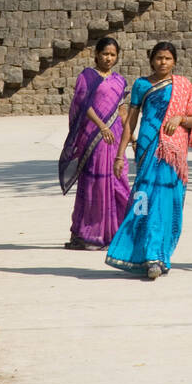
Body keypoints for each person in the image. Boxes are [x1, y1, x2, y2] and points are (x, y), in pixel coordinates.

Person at [106, 41, 192, 280]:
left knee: (167, 202)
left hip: (173, 153)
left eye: (168, 59)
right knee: (144, 200)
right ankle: (141, 254)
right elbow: (130, 121)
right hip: (148, 149)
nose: (163, 63)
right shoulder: (141, 85)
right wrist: (120, 153)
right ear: (151, 59)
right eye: (159, 58)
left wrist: (180, 118)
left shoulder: (183, 86)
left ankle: (158, 257)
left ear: (175, 62)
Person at [58, 37, 130, 250]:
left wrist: (131, 136)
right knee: (95, 185)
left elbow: (122, 109)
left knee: (119, 182)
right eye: (105, 53)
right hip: (95, 137)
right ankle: (87, 234)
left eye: (112, 55)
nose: (108, 58)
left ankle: (116, 233)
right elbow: (83, 104)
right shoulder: (87, 77)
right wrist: (101, 126)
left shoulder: (120, 81)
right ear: (96, 54)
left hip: (115, 137)